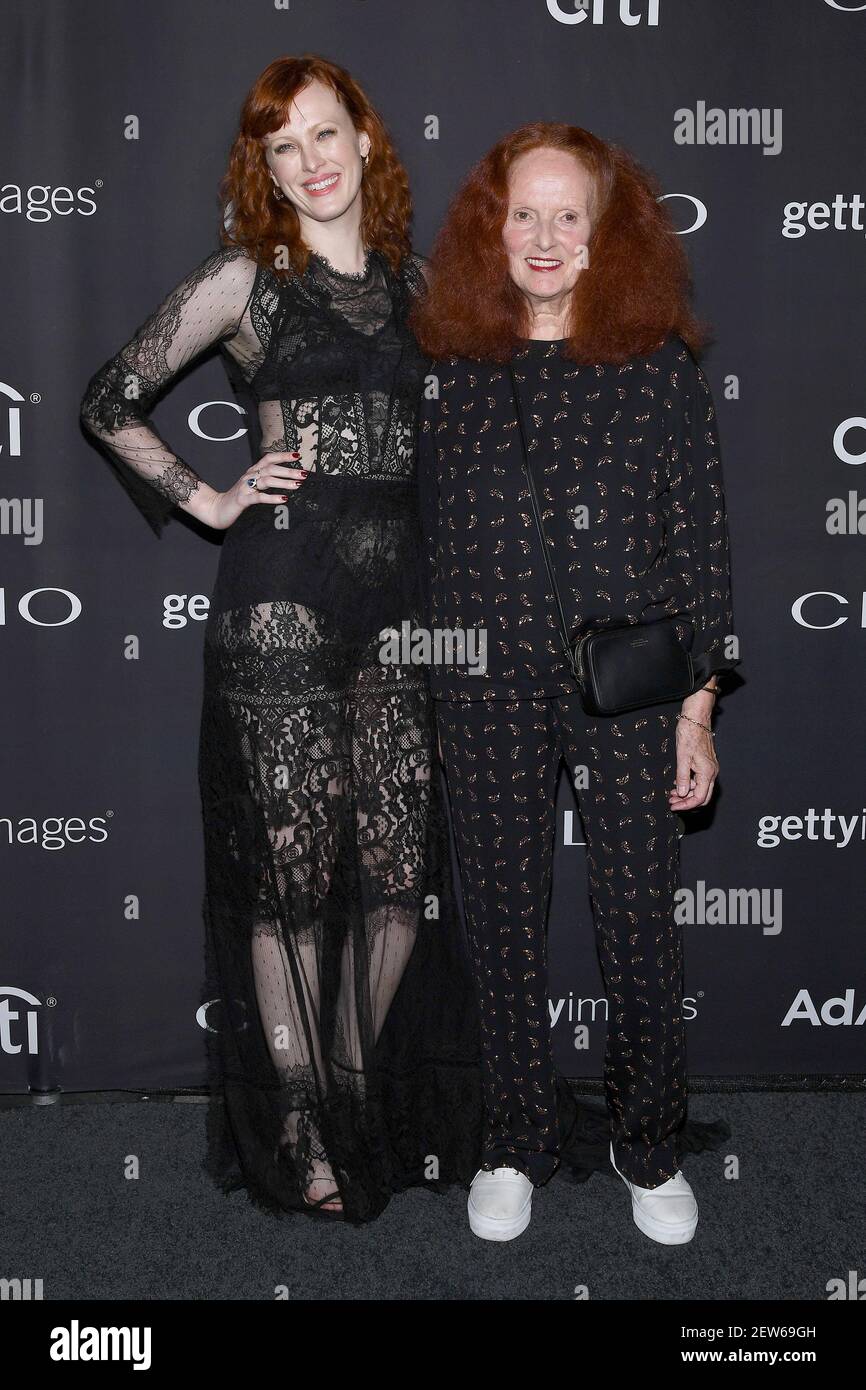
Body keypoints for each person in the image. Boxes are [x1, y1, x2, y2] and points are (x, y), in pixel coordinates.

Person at [79, 56, 484, 1224]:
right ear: (263, 170)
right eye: (281, 148)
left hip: (401, 613)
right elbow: (110, 395)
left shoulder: (421, 285)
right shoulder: (249, 281)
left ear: (364, 140)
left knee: (398, 881)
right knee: (294, 887)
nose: (308, 163)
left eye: (323, 135)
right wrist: (207, 499)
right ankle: (304, 1119)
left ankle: (352, 1078)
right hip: (282, 601)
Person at [411, 122, 740, 1243]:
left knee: (640, 923)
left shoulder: (654, 369)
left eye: (569, 216)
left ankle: (647, 1142)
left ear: (607, 239)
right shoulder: (450, 372)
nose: (543, 237)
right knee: (499, 924)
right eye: (522, 213)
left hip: (633, 690)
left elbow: (699, 540)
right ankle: (512, 1141)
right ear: (486, 232)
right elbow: (421, 544)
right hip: (483, 687)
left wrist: (697, 705)